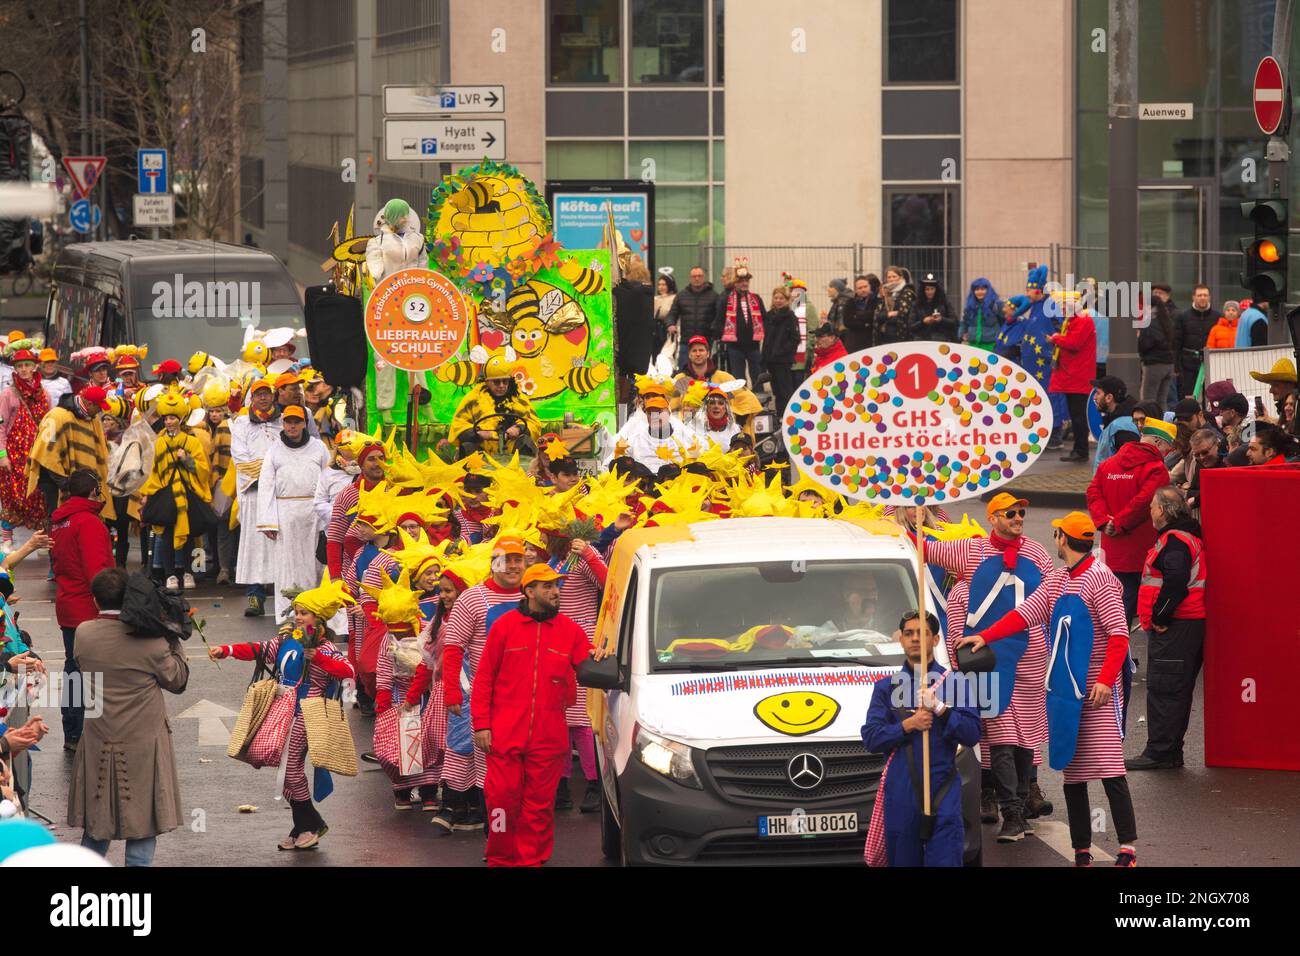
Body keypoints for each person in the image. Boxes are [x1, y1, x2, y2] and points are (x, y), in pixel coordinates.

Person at [959, 512, 1138, 867]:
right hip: (1064, 690)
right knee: (1071, 768)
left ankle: (1128, 848)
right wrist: (985, 635)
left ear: (1061, 539)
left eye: (1055, 534)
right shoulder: (1057, 580)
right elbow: (1025, 614)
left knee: (1110, 769)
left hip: (1098, 691)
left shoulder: (1101, 580)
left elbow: (1119, 636)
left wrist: (1104, 680)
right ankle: (1081, 850)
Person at [924, 492, 1055, 834]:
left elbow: (1051, 599)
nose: (1018, 518)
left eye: (1021, 513)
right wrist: (905, 510)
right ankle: (1009, 810)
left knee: (1025, 738)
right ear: (992, 518)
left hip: (1029, 659)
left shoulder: (1038, 554)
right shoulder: (972, 550)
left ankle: (1021, 802)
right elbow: (925, 548)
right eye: (1010, 513)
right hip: (988, 662)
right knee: (1001, 736)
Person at [209, 575, 356, 850]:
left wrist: (319, 658)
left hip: (308, 714)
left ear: (320, 619)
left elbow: (348, 672)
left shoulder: (325, 647)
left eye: (304, 613)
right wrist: (226, 650)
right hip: (282, 710)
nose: (298, 617)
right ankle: (304, 825)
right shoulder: (288, 640)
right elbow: (259, 649)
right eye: (297, 612)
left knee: (290, 770)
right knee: (284, 769)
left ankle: (310, 826)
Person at [473, 563, 593, 866]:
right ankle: (500, 857)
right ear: (529, 591)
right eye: (547, 586)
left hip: (549, 737)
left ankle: (531, 860)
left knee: (538, 806)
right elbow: (484, 677)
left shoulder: (571, 631)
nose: (555, 591)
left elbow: (589, 666)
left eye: (557, 586)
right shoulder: (504, 626)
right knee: (501, 800)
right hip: (503, 734)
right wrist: (481, 725)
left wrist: (602, 657)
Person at [69, 567, 189, 866]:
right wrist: (171, 633)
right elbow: (177, 681)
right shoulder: (152, 642)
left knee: (97, 820)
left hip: (99, 735)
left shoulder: (83, 633)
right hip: (144, 740)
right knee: (144, 820)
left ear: (95, 600)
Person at [861, 610, 980, 867]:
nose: (915, 639)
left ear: (935, 640)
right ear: (901, 640)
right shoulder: (885, 687)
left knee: (946, 860)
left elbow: (972, 734)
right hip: (901, 792)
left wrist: (942, 710)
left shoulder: (955, 683)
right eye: (908, 634)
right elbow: (871, 738)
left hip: (943, 788)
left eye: (922, 633)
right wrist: (907, 725)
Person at [440, 534, 528, 833]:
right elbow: (453, 647)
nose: (514, 566)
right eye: (508, 560)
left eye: (519, 559)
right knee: (490, 771)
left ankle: (520, 832)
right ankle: (498, 834)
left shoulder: (532, 595)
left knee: (527, 770)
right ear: (494, 563)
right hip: (488, 701)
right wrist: (452, 691)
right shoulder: (473, 598)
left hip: (528, 700)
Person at [1127, 487, 1205, 772]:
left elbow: (1176, 580)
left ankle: (1159, 751)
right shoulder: (1184, 537)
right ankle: (1169, 751)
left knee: (1165, 688)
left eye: (1151, 507)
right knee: (1175, 689)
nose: (1150, 511)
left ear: (1163, 510)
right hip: (1185, 624)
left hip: (1176, 625)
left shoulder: (1174, 542)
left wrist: (1160, 615)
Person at [1086, 418, 1174, 629]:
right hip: (1140, 547)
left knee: (1114, 599)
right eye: (1167, 448)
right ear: (1158, 442)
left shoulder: (1110, 463)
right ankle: (1119, 654)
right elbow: (1144, 502)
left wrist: (1103, 521)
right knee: (1134, 601)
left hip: (1111, 544)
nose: (1168, 453)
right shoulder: (1156, 469)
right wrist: (1119, 524)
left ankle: (1111, 649)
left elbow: (1093, 492)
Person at [50, 469, 113, 753]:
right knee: (95, 671)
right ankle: (88, 731)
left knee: (73, 669)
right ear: (93, 492)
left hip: (67, 604)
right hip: (89, 607)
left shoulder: (60, 522)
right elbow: (98, 571)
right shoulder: (88, 522)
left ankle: (72, 732)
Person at [258, 406, 331, 621]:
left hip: (314, 513)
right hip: (285, 515)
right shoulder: (274, 450)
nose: (292, 426)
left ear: (304, 424)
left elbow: (328, 477)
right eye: (288, 421)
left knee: (317, 563)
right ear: (283, 423)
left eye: (296, 421)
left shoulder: (318, 448)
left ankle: (318, 611)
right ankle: (289, 615)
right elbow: (266, 485)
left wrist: (329, 515)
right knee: (288, 565)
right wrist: (267, 521)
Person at [138, 390, 211, 593]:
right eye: (167, 418)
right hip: (166, 496)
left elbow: (203, 469)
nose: (169, 422)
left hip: (186, 495)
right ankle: (170, 574)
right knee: (168, 535)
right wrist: (147, 494)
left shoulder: (192, 442)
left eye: (173, 418)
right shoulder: (159, 443)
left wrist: (187, 460)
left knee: (187, 535)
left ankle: (187, 572)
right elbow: (153, 471)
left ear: (180, 419)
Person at [27, 384, 116, 526]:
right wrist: (65, 484)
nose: (100, 411)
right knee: (58, 520)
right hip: (54, 480)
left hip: (79, 484)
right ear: (88, 403)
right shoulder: (57, 416)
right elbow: (45, 455)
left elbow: (100, 451)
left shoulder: (93, 419)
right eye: (98, 406)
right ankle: (55, 548)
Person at [230, 379, 282, 616]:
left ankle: (287, 597)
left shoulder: (283, 421)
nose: (263, 398)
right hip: (254, 492)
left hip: (281, 492)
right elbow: (241, 458)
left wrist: (278, 476)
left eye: (266, 394)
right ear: (252, 397)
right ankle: (254, 596)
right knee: (253, 544)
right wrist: (267, 473)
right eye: (258, 394)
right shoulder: (241, 423)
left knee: (281, 545)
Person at [0, 341, 52, 547]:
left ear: (34, 367)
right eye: (20, 366)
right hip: (13, 454)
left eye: (27, 365)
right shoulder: (7, 394)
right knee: (12, 495)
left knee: (39, 496)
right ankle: (6, 540)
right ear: (15, 368)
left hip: (37, 454)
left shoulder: (44, 394)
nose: (23, 369)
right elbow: (0, 426)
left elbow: (50, 425)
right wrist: (2, 455)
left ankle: (40, 539)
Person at [448, 355, 541, 458]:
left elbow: (534, 424)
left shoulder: (520, 398)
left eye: (505, 381)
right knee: (467, 447)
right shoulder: (473, 399)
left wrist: (519, 428)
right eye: (496, 382)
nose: (501, 385)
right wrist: (478, 433)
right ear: (487, 382)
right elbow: (458, 426)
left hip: (512, 450)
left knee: (525, 442)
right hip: (481, 452)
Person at [1047, 301, 1097, 463]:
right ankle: (1078, 449)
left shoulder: (1082, 321)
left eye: (1064, 306)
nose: (1062, 310)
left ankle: (1081, 450)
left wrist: (1056, 338)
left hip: (1077, 376)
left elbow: (1074, 343)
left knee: (1078, 415)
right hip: (1073, 375)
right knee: (1076, 414)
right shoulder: (1074, 321)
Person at [196, 381, 235, 584]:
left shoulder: (225, 429)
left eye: (219, 411)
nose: (215, 415)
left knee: (224, 527)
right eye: (211, 411)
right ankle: (217, 567)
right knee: (213, 528)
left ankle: (225, 567)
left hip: (223, 484)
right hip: (213, 484)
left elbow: (222, 460)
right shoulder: (203, 429)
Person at [715, 260, 766, 387]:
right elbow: (720, 320)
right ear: (735, 283)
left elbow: (764, 318)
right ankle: (741, 402)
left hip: (753, 345)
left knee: (757, 375)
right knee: (738, 378)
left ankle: (759, 401)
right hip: (735, 346)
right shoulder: (727, 299)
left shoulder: (756, 298)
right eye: (740, 281)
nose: (744, 284)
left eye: (746, 281)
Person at [613, 257, 656, 397]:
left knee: (622, 388)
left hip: (625, 348)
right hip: (641, 352)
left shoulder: (626, 293)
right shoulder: (647, 294)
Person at [666, 266, 720, 370]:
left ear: (704, 277)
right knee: (684, 372)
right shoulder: (681, 296)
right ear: (690, 278)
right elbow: (672, 314)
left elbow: (719, 317)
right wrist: (670, 324)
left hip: (707, 342)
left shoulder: (714, 296)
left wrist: (715, 330)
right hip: (687, 342)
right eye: (694, 276)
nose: (697, 278)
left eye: (699, 276)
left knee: (707, 372)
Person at [1173, 284, 1219, 399]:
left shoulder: (1218, 317)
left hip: (1211, 364)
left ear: (1209, 297)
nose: (1202, 298)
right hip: (1188, 365)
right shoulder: (1183, 317)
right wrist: (1176, 367)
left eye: (1205, 295)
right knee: (1189, 397)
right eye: (1199, 295)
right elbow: (1176, 343)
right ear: (1193, 297)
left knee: (1212, 397)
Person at [760, 285, 800, 415]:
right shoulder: (769, 315)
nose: (778, 300)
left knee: (785, 390)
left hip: (783, 359)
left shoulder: (790, 316)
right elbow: (766, 338)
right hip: (771, 359)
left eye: (781, 298)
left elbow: (795, 339)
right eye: (776, 297)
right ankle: (780, 414)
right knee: (776, 390)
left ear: (787, 300)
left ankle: (789, 414)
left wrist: (782, 351)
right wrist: (765, 356)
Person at [1090, 375, 1139, 472]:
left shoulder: (1122, 428)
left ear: (1109, 398)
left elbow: (1130, 467)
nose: (1095, 398)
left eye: (1098, 393)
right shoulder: (1116, 420)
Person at [1184, 428, 1223, 519]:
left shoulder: (1228, 463)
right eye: (1197, 455)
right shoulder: (1199, 464)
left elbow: (1220, 493)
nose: (1202, 458)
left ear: (1217, 445)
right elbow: (1191, 492)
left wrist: (1197, 499)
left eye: (1205, 452)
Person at [909, 273, 958, 342]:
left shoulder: (944, 303)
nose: (930, 292)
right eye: (927, 289)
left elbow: (954, 322)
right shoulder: (916, 305)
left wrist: (941, 319)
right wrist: (923, 322)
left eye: (932, 289)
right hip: (921, 341)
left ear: (937, 290)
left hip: (941, 340)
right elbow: (911, 326)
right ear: (923, 290)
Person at [1249, 357, 1298, 424]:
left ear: (1289, 385)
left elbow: (1288, 431)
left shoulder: (1297, 408)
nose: (1270, 391)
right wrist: (1267, 419)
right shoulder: (1288, 407)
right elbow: (1283, 425)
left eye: (1275, 385)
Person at [841, 274, 883, 352]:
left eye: (865, 286)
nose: (863, 290)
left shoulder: (877, 301)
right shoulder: (850, 302)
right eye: (860, 288)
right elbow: (847, 322)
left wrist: (858, 315)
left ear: (869, 287)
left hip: (871, 343)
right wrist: (866, 324)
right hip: (854, 343)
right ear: (856, 290)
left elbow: (876, 316)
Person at [961, 278, 1003, 349]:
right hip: (973, 345)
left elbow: (1005, 322)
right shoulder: (969, 306)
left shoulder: (996, 305)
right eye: (976, 289)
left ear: (988, 290)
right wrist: (962, 334)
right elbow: (964, 322)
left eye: (983, 289)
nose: (979, 292)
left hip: (992, 346)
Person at [879, 265, 914, 345]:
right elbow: (878, 315)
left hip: (901, 335)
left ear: (900, 277)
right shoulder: (885, 293)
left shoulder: (907, 292)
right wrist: (889, 314)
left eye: (894, 276)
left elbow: (905, 313)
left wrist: (886, 316)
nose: (891, 279)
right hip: (885, 334)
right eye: (889, 277)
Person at [995, 295, 1031, 365]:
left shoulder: (1022, 324)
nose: (1003, 310)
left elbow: (1013, 348)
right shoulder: (1007, 322)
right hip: (1000, 363)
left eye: (1005, 307)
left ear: (1015, 309)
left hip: (1012, 366)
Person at [653, 270, 677, 362]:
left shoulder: (674, 298)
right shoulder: (656, 299)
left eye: (664, 284)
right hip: (656, 330)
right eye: (659, 284)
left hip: (668, 330)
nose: (661, 287)